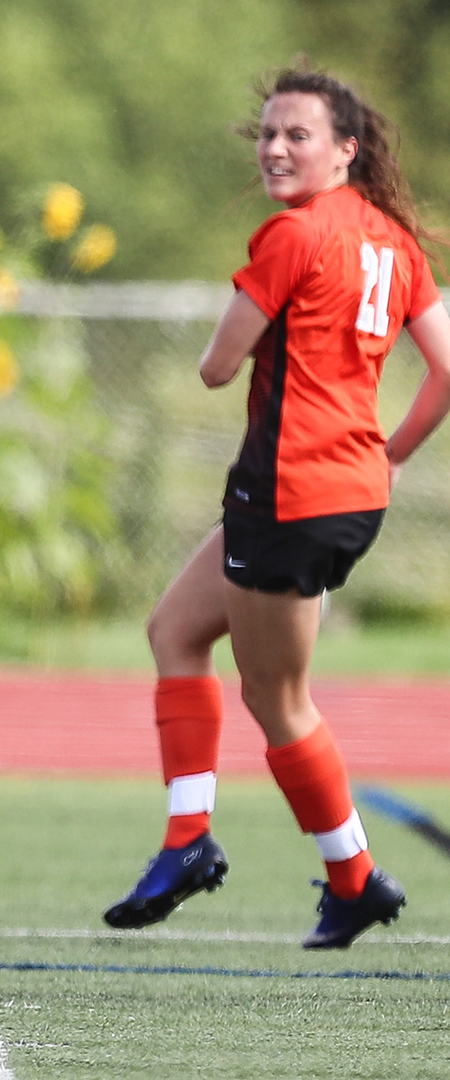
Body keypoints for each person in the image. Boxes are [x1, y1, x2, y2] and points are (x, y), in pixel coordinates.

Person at [104, 67, 450, 948]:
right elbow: (446, 370)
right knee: (175, 631)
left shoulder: (293, 235)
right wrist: (392, 454)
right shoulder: (393, 241)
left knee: (278, 698)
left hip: (290, 491)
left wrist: (254, 320)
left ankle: (355, 878)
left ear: (346, 149)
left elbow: (216, 368)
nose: (275, 148)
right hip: (344, 490)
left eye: (298, 134)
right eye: (267, 133)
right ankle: (189, 839)